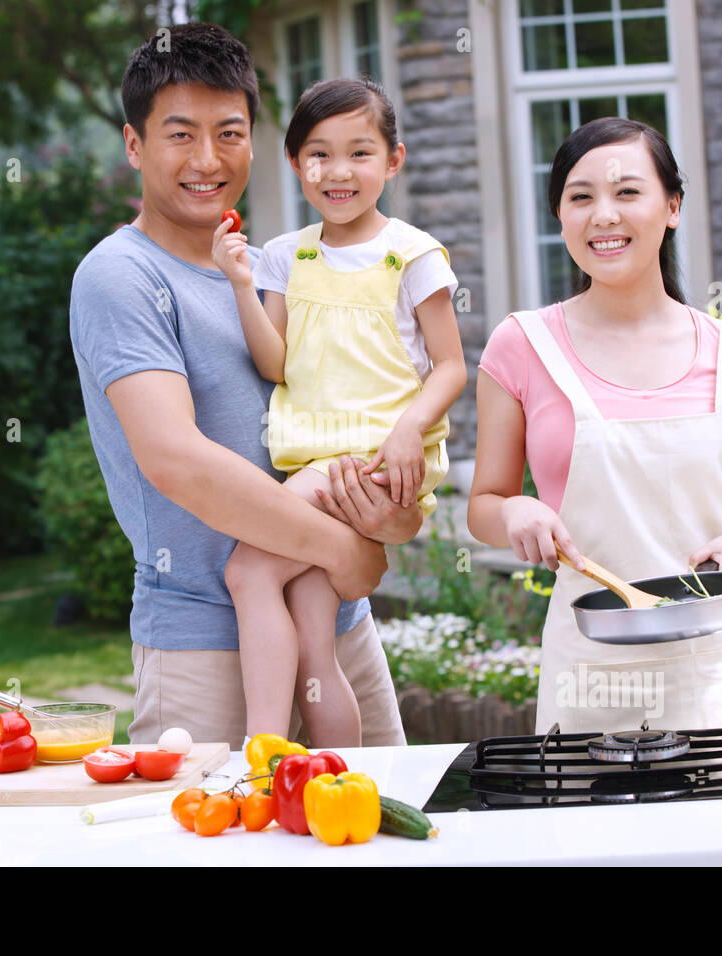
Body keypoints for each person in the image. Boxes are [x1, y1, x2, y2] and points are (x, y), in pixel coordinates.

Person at [69, 23, 415, 750]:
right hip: (206, 646)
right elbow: (177, 461)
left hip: (336, 628)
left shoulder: (272, 273)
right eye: (179, 134)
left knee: (377, 838)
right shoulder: (119, 276)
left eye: (229, 133)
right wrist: (341, 549)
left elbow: (352, 420)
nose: (207, 159)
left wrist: (390, 520)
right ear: (134, 146)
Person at [467, 117, 722, 734]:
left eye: (627, 192)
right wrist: (514, 513)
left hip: (719, 671)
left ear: (672, 206)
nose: (604, 215)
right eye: (580, 196)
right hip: (591, 673)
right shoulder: (520, 347)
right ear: (560, 217)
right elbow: (485, 503)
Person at [211, 78, 466, 747]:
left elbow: (452, 366)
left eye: (360, 153)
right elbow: (276, 364)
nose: (339, 171)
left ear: (393, 160)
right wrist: (242, 285)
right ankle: (342, 778)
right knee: (312, 634)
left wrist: (409, 427)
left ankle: (261, 752)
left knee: (247, 570)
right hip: (318, 456)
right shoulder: (284, 255)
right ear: (296, 164)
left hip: (372, 457)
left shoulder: (411, 255)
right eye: (318, 155)